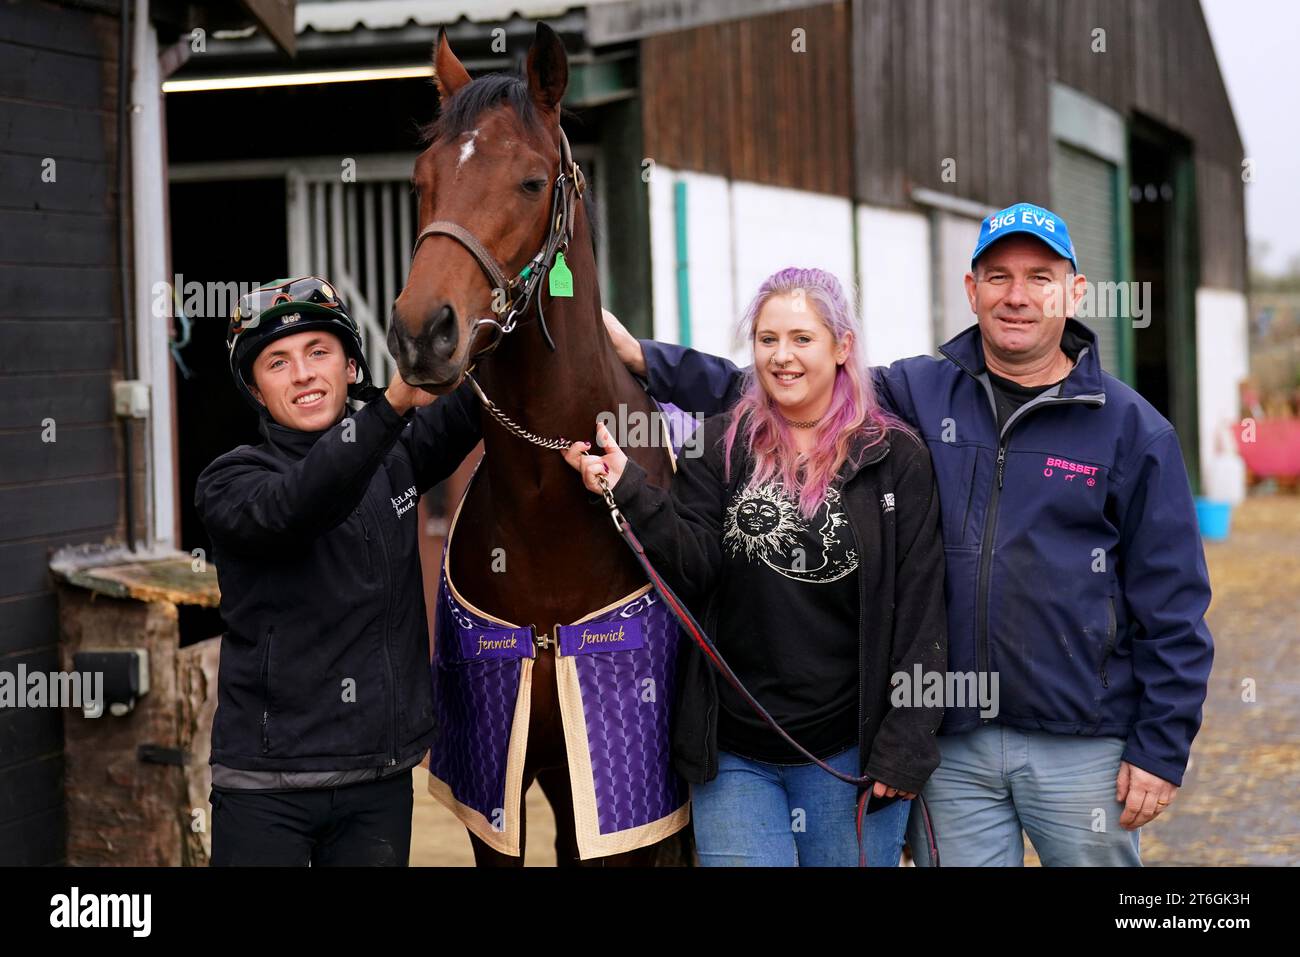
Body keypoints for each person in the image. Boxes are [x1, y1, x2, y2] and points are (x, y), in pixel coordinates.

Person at [604, 202, 1215, 866]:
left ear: (1075, 291)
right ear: (971, 289)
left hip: (1080, 743)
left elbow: (1174, 606)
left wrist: (1160, 745)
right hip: (955, 749)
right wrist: (647, 359)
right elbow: (794, 384)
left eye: (1040, 277)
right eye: (998, 275)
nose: (1016, 295)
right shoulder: (923, 391)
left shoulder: (1133, 431)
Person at [566, 267, 947, 867]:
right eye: (768, 340)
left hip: (848, 753)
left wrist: (906, 744)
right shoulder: (719, 445)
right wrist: (629, 487)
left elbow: (922, 613)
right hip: (737, 754)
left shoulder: (893, 456)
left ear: (842, 347)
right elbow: (695, 570)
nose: (782, 357)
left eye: (802, 339)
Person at [195, 276, 481, 866]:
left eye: (318, 352)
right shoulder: (230, 481)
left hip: (377, 781)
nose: (302, 373)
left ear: (351, 367)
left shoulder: (396, 455)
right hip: (265, 788)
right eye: (277, 362)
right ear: (255, 389)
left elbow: (482, 392)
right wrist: (394, 405)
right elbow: (304, 500)